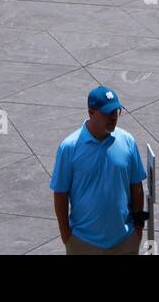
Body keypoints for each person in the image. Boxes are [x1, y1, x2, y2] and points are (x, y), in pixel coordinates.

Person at [50, 87, 147, 256]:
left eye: (116, 112)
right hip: (84, 243)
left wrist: (137, 229)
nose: (113, 118)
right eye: (107, 113)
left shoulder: (128, 141)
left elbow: (136, 185)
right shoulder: (69, 147)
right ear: (91, 112)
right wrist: (67, 236)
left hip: (124, 240)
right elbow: (60, 193)